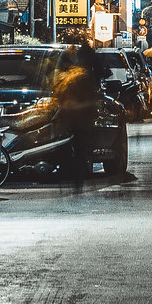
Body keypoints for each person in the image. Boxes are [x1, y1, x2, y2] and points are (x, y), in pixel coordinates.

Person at [50, 35, 98, 190]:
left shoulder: (69, 78)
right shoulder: (82, 77)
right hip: (78, 118)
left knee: (71, 145)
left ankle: (72, 172)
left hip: (73, 117)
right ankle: (77, 173)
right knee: (78, 146)